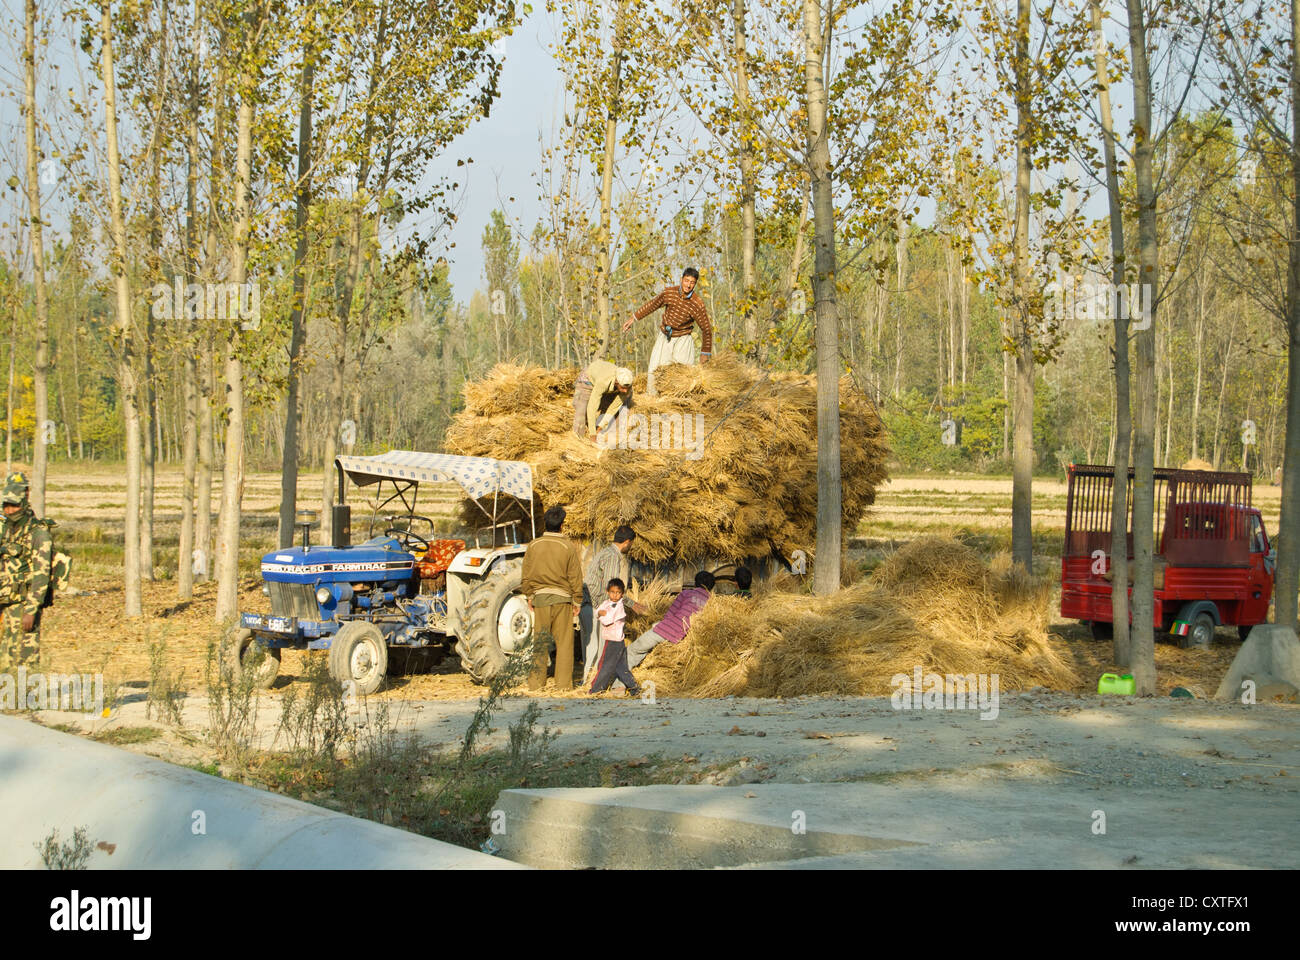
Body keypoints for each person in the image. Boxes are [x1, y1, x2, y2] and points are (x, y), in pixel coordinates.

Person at [519, 505, 583, 692]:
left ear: (544, 524)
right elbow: (575, 577)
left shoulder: (534, 545)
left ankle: (536, 684)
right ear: (562, 525)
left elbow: (526, 575)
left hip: (540, 600)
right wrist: (577, 600)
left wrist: (529, 594)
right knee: (564, 643)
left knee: (540, 643)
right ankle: (563, 685)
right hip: (562, 600)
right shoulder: (568, 547)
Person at [622, 267, 713, 396]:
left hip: (683, 340)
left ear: (695, 284)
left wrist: (705, 353)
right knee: (655, 371)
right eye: (686, 280)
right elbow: (652, 305)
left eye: (692, 282)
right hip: (665, 337)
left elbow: (706, 329)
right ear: (681, 279)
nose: (688, 285)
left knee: (682, 378)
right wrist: (633, 318)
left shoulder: (697, 303)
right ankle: (653, 402)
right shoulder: (669, 293)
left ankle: (678, 406)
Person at [580, 524, 647, 684]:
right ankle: (591, 684)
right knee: (596, 649)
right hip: (596, 607)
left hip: (590, 605)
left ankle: (589, 683)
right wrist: (632, 604)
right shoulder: (612, 557)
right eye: (631, 544)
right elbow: (612, 591)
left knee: (591, 648)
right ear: (627, 542)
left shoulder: (605, 552)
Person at [0, 471, 52, 672]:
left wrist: (31, 610)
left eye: (14, 506)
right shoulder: (4, 528)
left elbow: (41, 575)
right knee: (5, 657)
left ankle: (27, 699)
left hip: (23, 604)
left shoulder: (38, 534)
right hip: (5, 601)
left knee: (25, 658)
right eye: (6, 505)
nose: (9, 509)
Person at [626, 570, 714, 669]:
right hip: (682, 639)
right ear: (711, 587)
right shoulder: (711, 601)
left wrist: (660, 626)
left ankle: (618, 683)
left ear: (696, 582)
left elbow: (670, 613)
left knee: (632, 651)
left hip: (666, 630)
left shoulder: (687, 593)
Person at [587, 578, 641, 696]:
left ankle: (596, 689)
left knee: (605, 665)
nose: (615, 595)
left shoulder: (619, 606)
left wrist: (601, 614)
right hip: (616, 640)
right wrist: (600, 613)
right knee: (621, 668)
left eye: (618, 593)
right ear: (607, 592)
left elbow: (607, 620)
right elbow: (598, 611)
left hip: (613, 641)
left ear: (622, 594)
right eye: (612, 592)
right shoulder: (606, 603)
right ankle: (634, 688)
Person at [573, 359, 634, 438]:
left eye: (627, 388)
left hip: (608, 385)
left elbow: (613, 409)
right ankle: (579, 439)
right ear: (616, 382)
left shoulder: (627, 386)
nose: (625, 391)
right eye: (623, 388)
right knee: (581, 413)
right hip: (588, 379)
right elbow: (592, 406)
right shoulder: (603, 382)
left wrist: (601, 427)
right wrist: (593, 434)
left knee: (616, 409)